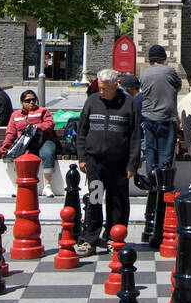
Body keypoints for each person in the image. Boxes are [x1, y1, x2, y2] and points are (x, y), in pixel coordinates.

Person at [75, 68, 140, 256]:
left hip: (119, 163)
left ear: (115, 86)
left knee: (117, 201)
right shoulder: (92, 101)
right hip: (95, 162)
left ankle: (114, 237)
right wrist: (82, 157)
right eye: (100, 88)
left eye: (105, 89)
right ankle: (91, 238)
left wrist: (132, 164)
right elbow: (82, 131)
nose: (101, 92)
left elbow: (135, 136)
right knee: (94, 200)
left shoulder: (128, 103)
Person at [0, 89, 57, 197]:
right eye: (28, 100)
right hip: (25, 142)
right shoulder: (15, 115)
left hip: (43, 140)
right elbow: (11, 133)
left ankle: (47, 187)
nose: (32, 103)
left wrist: (35, 127)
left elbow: (50, 124)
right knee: (18, 155)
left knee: (48, 153)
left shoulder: (43, 111)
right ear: (22, 103)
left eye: (34, 100)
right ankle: (20, 186)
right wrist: (4, 147)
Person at [139, 44, 181, 177]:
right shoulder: (169, 71)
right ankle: (163, 183)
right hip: (166, 118)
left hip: (148, 117)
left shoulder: (143, 73)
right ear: (163, 58)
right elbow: (178, 86)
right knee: (166, 152)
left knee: (151, 150)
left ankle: (151, 180)